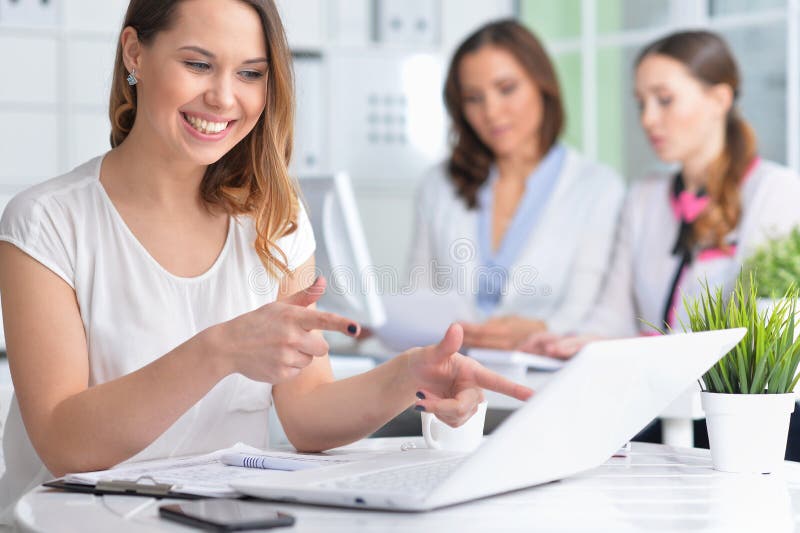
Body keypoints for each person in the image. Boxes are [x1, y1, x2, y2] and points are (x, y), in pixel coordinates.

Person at [0, 0, 532, 521]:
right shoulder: (46, 222)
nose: (224, 97)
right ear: (135, 53)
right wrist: (219, 351)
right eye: (198, 64)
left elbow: (306, 412)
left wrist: (409, 375)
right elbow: (63, 442)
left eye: (251, 73)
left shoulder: (276, 219)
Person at [518, 30, 800, 450]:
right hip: (657, 410)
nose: (648, 118)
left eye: (664, 99)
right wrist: (576, 342)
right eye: (641, 103)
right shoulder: (644, 197)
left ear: (719, 100)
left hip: (739, 424)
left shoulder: (776, 192)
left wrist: (640, 350)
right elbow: (613, 316)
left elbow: (757, 342)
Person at [406, 19, 625, 351]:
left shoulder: (599, 189)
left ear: (542, 86)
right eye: (473, 98)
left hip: (548, 377)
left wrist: (540, 329)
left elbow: (593, 308)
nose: (492, 111)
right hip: (452, 376)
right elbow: (418, 298)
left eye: (506, 89)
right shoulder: (438, 185)